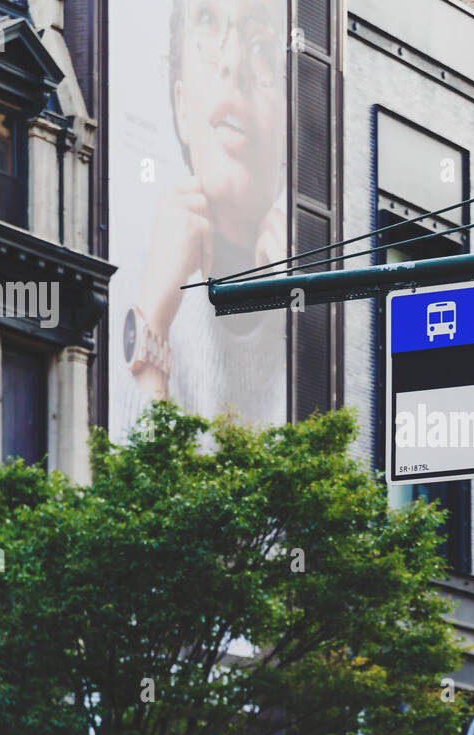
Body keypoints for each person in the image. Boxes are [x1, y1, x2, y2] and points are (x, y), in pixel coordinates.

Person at [121, 0, 288, 425]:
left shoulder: (311, 294)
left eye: (261, 44)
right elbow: (128, 478)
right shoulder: (128, 268)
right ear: (180, 104)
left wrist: (300, 326)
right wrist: (153, 316)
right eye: (208, 23)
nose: (234, 64)